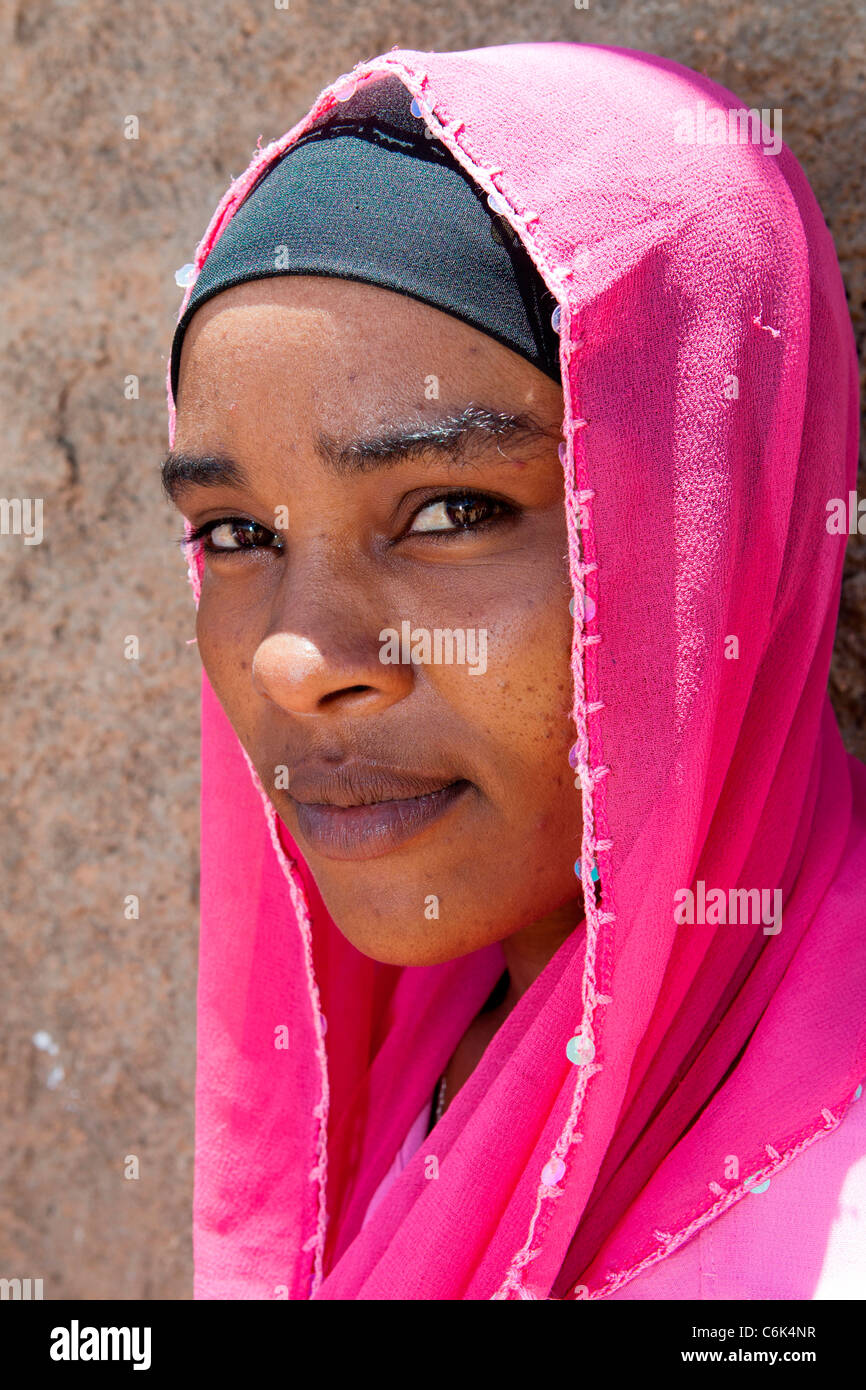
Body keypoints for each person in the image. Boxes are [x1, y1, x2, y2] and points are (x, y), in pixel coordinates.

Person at [162, 44, 866, 1300]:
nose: (290, 658)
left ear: (722, 534)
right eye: (236, 534)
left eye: (447, 511)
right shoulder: (424, 1064)